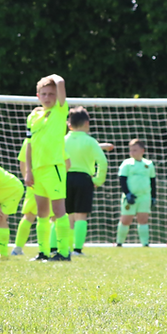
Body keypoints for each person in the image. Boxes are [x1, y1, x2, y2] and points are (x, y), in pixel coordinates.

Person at [23, 74, 71, 262]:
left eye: (51, 93)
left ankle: (64, 252)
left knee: (59, 211)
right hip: (37, 170)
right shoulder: (33, 116)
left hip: (54, 168)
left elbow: (60, 82)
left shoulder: (60, 110)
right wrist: (28, 170)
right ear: (38, 96)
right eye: (44, 93)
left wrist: (52, 77)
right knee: (41, 213)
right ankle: (43, 252)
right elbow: (29, 145)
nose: (48, 97)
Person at [64, 106, 112, 255]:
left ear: (69, 124)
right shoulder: (91, 142)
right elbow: (102, 162)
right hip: (84, 179)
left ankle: (61, 248)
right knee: (80, 216)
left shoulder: (62, 140)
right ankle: (77, 249)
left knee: (64, 216)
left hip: (64, 179)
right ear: (87, 123)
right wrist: (98, 180)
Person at [116, 138, 157, 247]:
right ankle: (119, 243)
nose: (132, 152)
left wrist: (153, 197)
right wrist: (127, 194)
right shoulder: (126, 164)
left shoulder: (149, 164)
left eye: (135, 150)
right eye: (131, 150)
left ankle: (145, 244)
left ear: (142, 151)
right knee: (126, 220)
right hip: (130, 197)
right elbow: (122, 180)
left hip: (144, 197)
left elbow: (153, 181)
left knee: (143, 219)